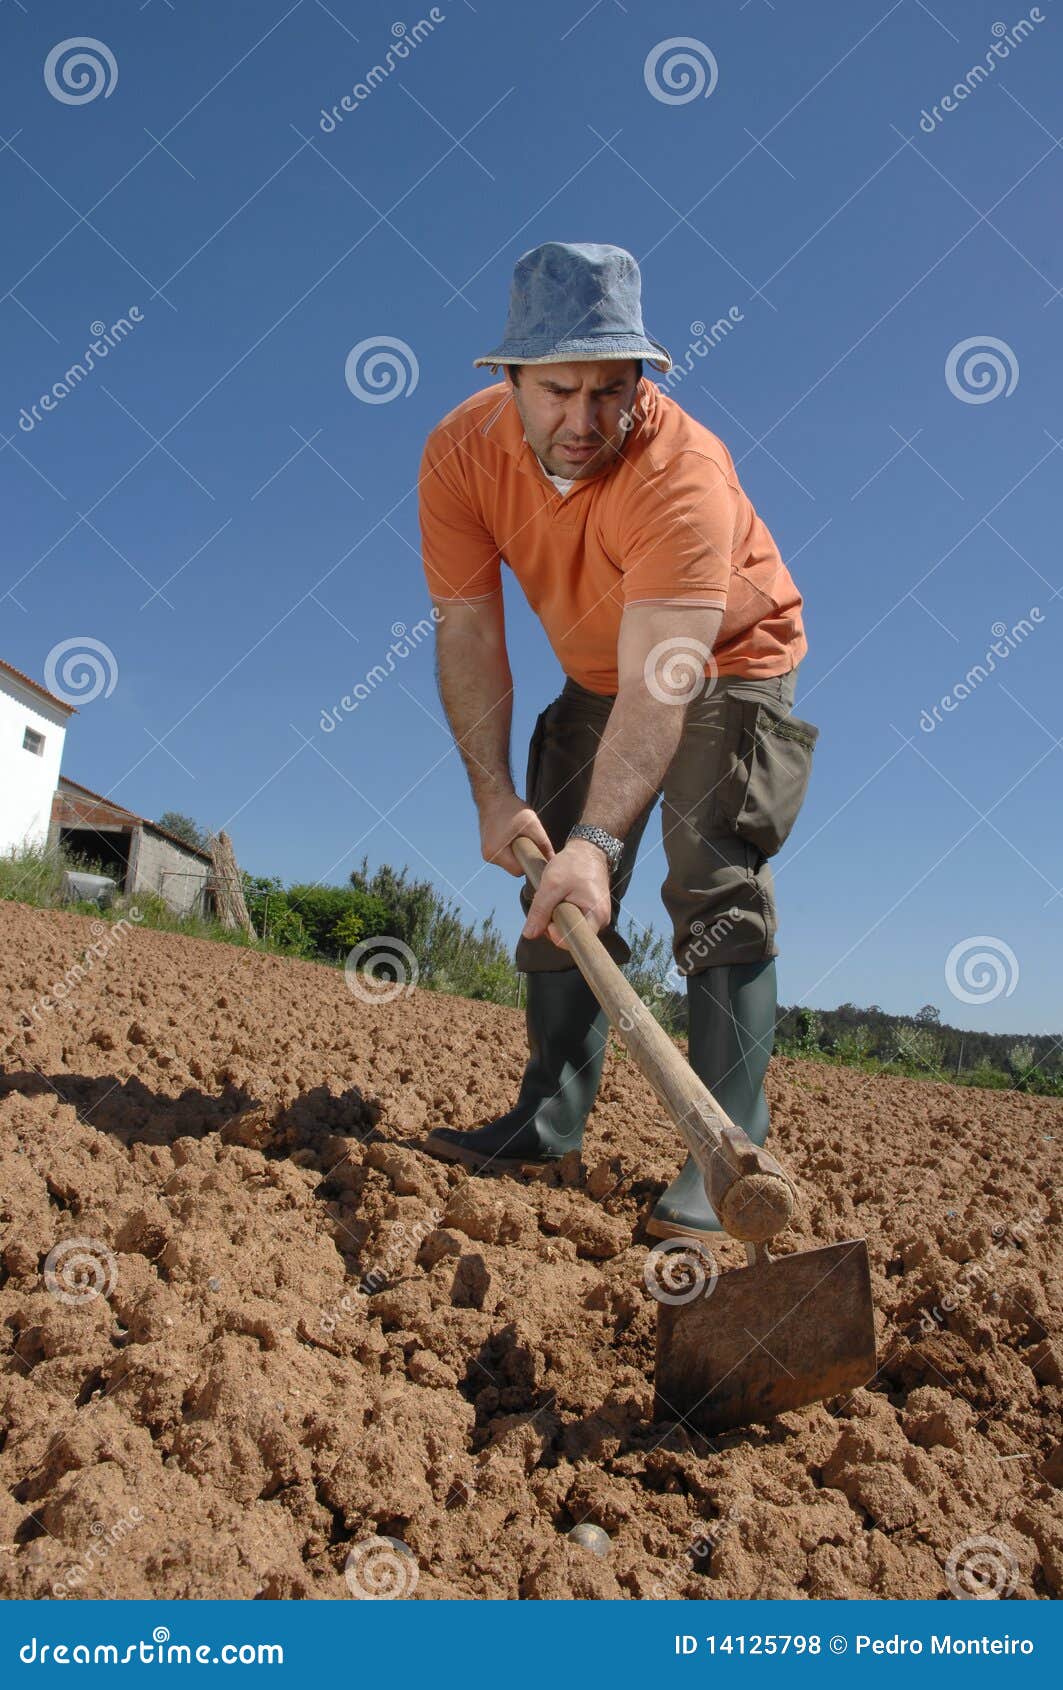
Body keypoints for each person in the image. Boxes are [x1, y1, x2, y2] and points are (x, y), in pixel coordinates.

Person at [415, 241, 818, 1243]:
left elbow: (668, 674)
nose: (584, 420)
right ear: (507, 377)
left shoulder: (683, 473)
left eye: (611, 388)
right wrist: (492, 793)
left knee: (708, 865)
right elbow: (468, 629)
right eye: (557, 389)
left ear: (641, 376)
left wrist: (606, 841)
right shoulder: (458, 455)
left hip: (726, 654)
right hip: (601, 670)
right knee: (550, 865)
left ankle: (727, 1148)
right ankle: (546, 1119)